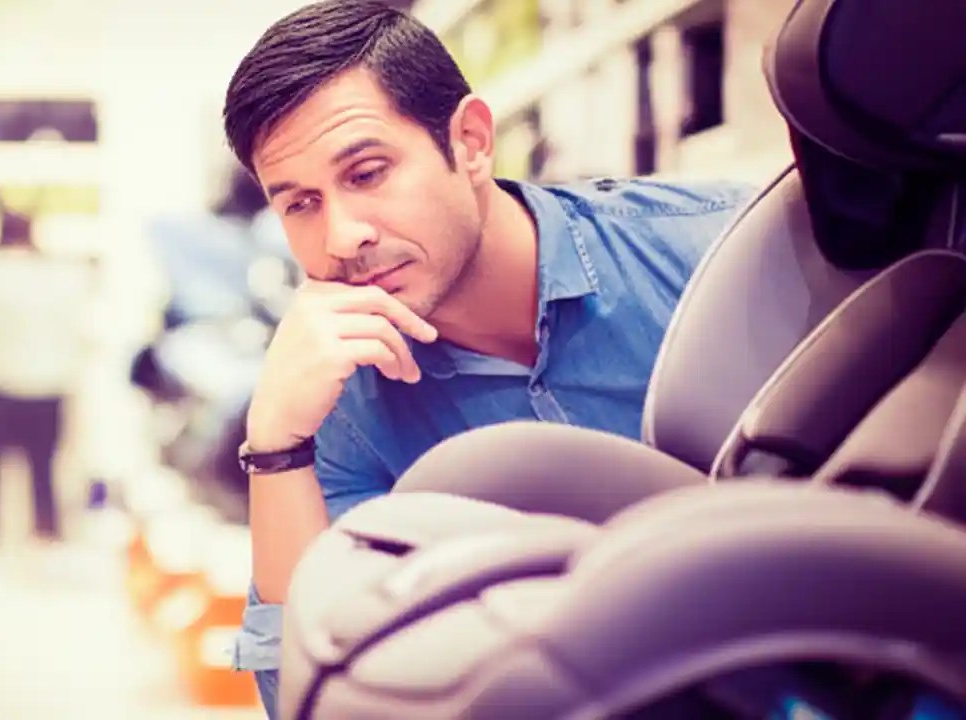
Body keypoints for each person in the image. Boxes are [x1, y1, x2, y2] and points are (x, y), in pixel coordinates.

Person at [221, 1, 757, 715]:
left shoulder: (719, 250)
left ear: (472, 141)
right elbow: (309, 696)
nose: (342, 236)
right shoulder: (339, 402)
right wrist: (276, 445)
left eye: (368, 173)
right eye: (300, 205)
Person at [0, 211, 90, 548]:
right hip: (50, 386)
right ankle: (47, 532)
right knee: (44, 469)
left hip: (4, 385)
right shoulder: (59, 277)